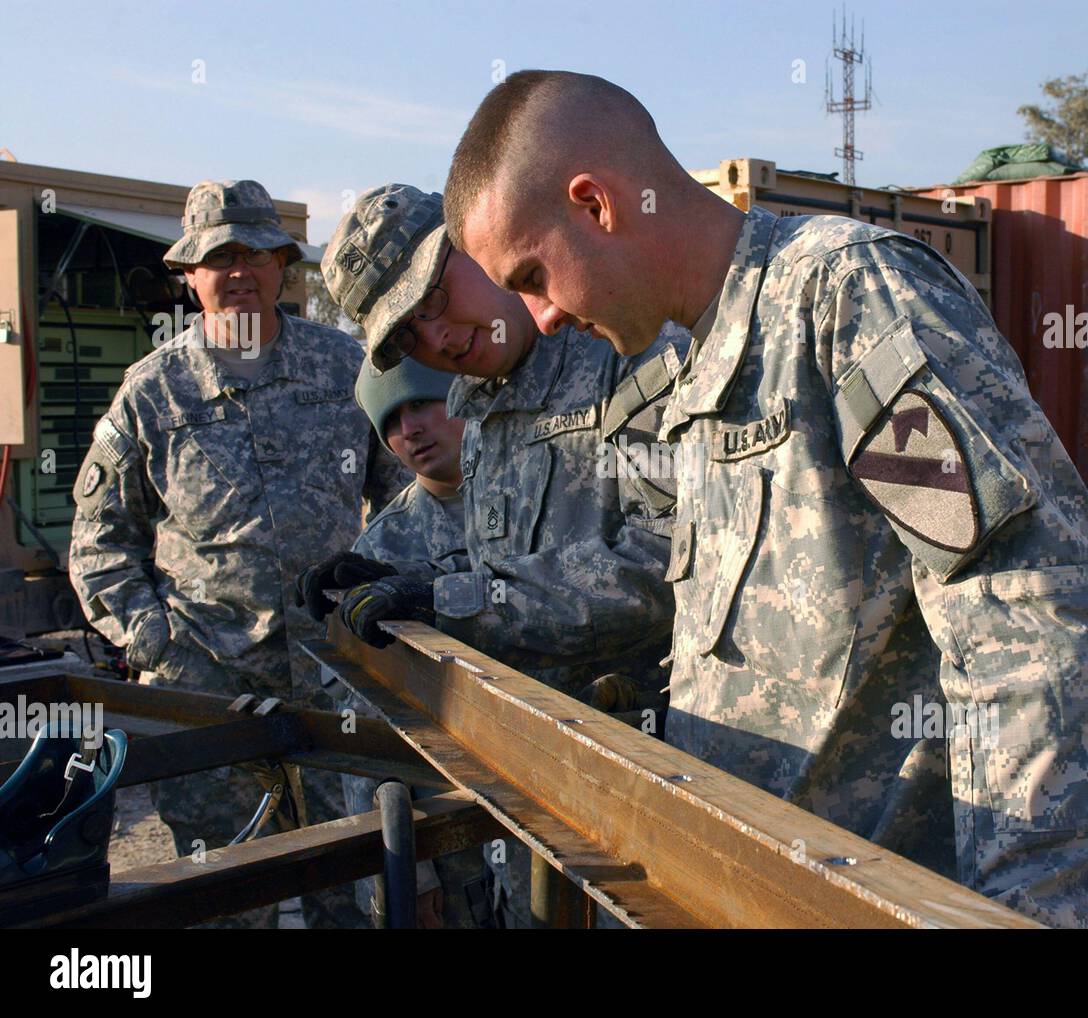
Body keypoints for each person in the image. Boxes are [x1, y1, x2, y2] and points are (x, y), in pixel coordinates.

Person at [440, 70, 1088, 929]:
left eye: (534, 274)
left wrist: (1031, 910)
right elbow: (652, 577)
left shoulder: (844, 300)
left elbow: (1032, 620)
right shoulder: (692, 375)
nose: (539, 317)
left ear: (595, 205)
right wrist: (459, 601)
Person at [302, 183, 689, 926]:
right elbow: (510, 573)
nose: (439, 337)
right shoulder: (482, 414)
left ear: (479, 242)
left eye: (436, 297)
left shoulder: (620, 353)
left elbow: (663, 569)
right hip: (531, 802)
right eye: (408, 335)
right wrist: (406, 581)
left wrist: (449, 600)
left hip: (645, 795)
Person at [68, 179, 409, 928]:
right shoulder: (152, 391)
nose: (241, 271)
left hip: (336, 677)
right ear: (189, 275)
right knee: (217, 894)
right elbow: (100, 545)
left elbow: (405, 497)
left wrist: (383, 602)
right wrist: (164, 646)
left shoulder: (342, 366)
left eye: (259, 253)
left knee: (349, 878)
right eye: (221, 256)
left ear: (283, 266)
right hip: (206, 693)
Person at [299, 357, 486, 929]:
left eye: (423, 403)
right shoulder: (385, 543)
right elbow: (367, 721)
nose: (411, 430)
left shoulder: (538, 498)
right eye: (391, 422)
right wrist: (405, 871)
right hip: (454, 835)